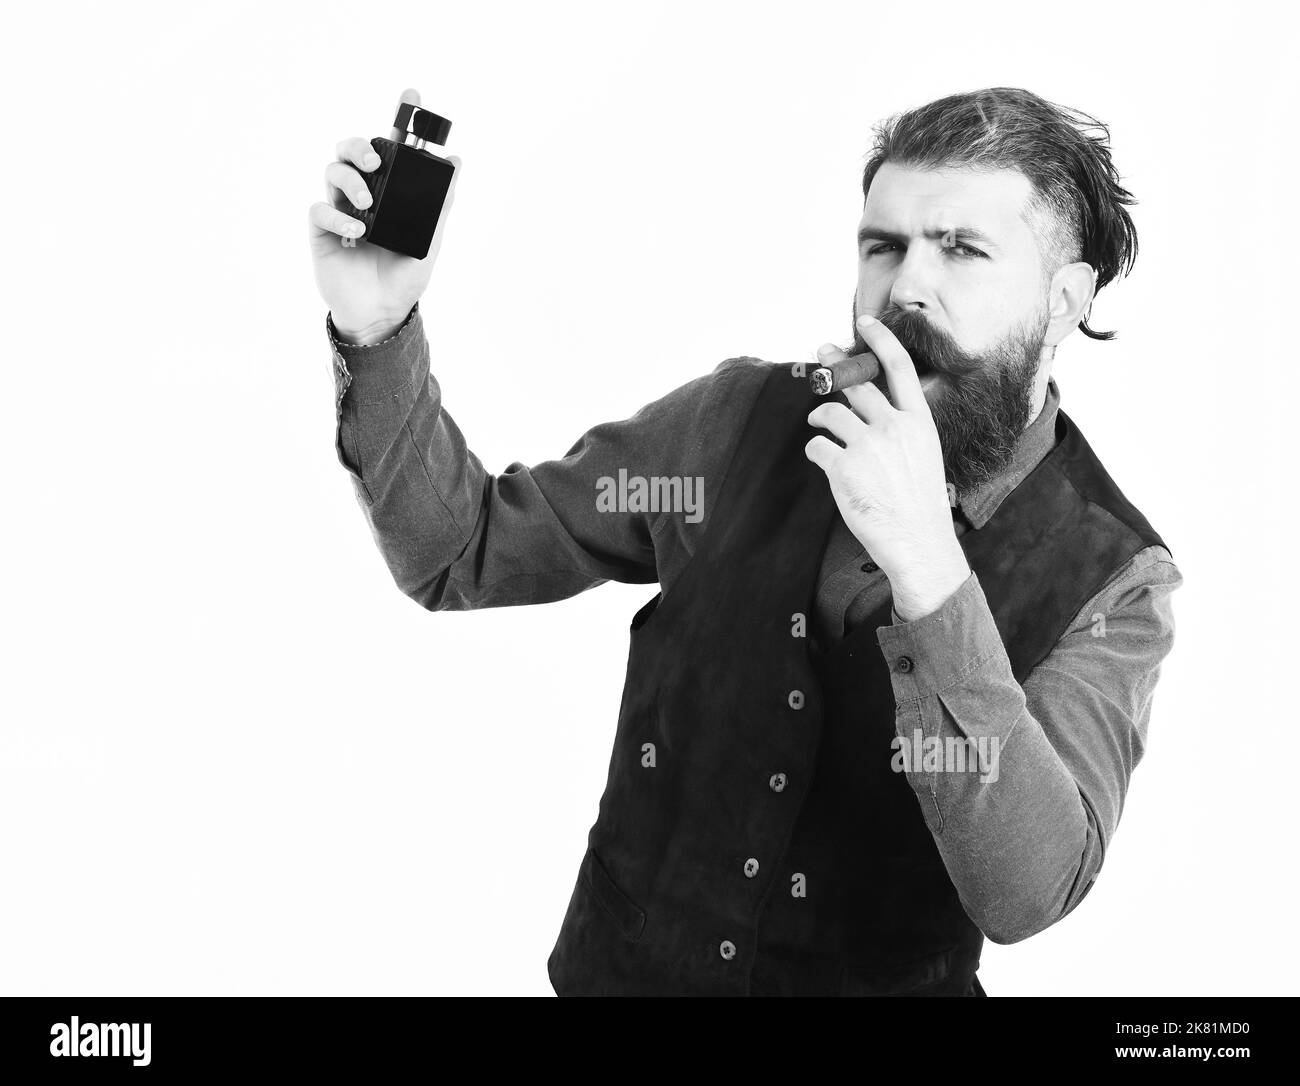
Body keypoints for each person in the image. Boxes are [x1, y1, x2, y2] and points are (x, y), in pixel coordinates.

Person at [309, 86, 1182, 996]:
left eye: (963, 249)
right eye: (882, 246)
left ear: (1063, 295)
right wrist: (375, 329)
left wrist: (928, 562)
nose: (906, 287)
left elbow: (1027, 893)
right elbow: (469, 549)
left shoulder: (1115, 581)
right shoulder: (731, 428)